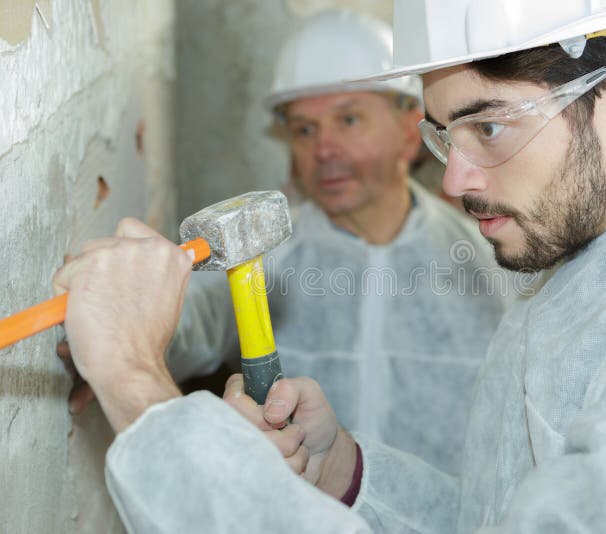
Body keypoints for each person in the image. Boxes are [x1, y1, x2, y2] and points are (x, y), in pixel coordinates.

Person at [56, 1, 606, 532]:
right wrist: (347, 475)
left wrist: (135, 383)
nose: (454, 181)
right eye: (448, 135)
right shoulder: (590, 270)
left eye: (490, 126)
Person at [63, 8, 510, 477]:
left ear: (408, 130)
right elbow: (188, 315)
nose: (323, 149)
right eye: (304, 129)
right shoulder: (262, 255)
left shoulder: (490, 260)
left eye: (348, 119)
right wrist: (119, 329)